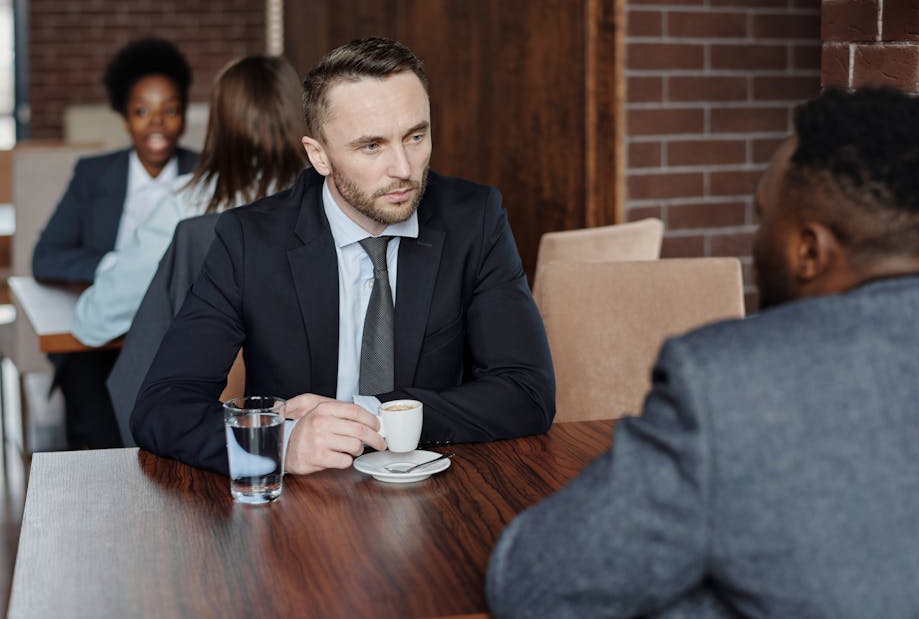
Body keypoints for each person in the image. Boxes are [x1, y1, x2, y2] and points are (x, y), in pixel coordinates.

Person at [486, 86, 919, 618]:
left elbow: (536, 582)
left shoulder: (731, 385)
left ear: (809, 251)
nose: (756, 237)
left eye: (762, 215)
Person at [131, 37, 555, 475]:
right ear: (319, 155)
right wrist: (282, 442)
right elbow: (163, 406)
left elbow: (527, 393)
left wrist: (373, 416)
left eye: (415, 136)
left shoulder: (475, 220)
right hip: (301, 512)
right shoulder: (249, 240)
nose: (404, 169)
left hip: (434, 494)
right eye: (371, 146)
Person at [100, 55, 308, 446]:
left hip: (214, 427)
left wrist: (110, 265)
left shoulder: (185, 206)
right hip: (320, 417)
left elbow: (93, 320)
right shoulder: (329, 205)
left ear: (219, 124)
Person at [32, 37, 196, 449]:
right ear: (125, 118)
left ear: (184, 116)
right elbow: (46, 256)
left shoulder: (206, 172)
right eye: (142, 111)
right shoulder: (93, 175)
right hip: (98, 336)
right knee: (98, 431)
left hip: (179, 335)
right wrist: (114, 269)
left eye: (169, 110)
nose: (156, 123)